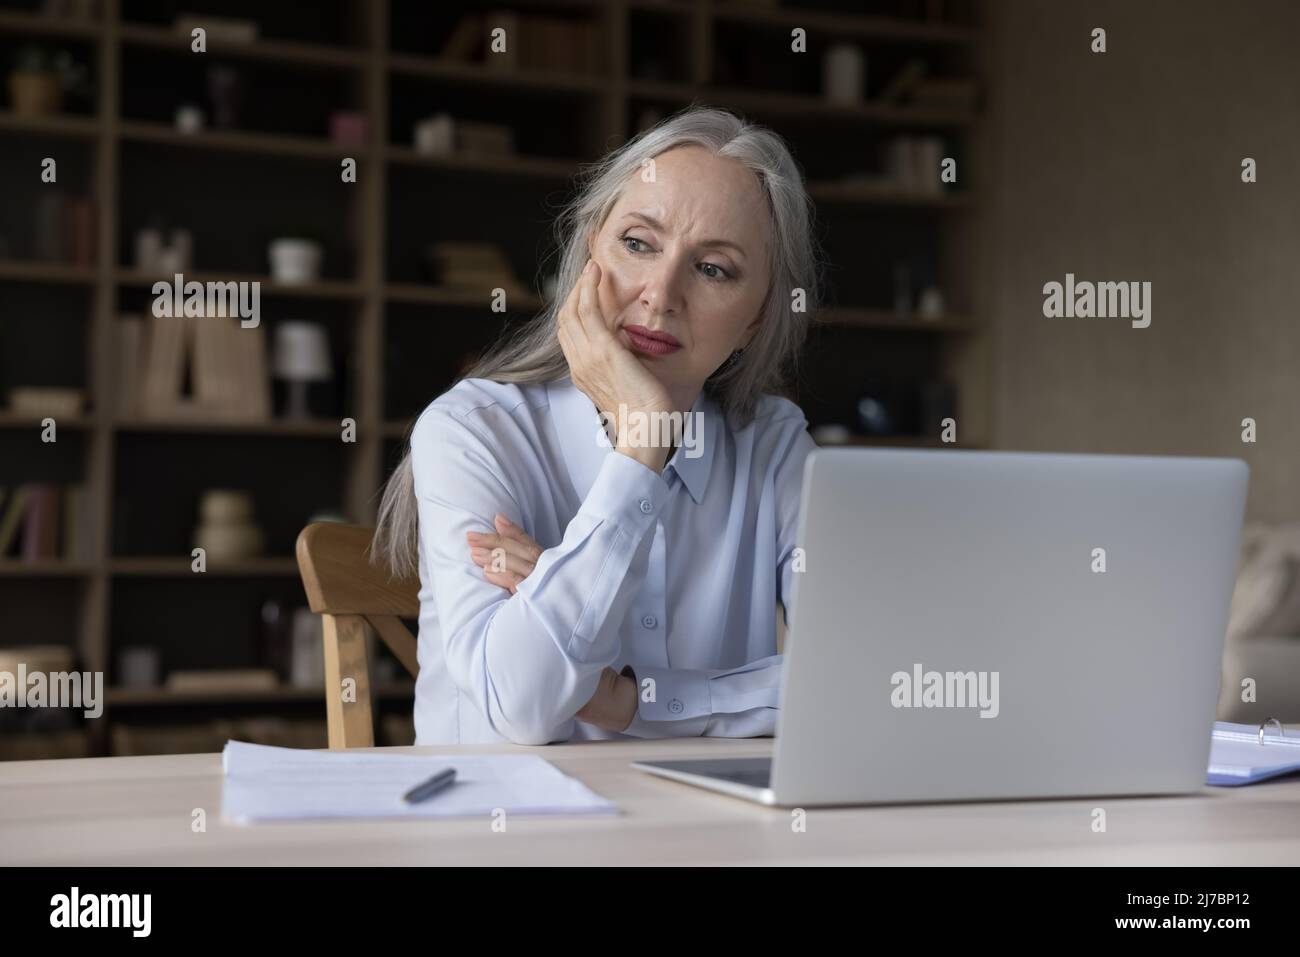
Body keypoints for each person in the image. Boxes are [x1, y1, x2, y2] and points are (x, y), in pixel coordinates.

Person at [373, 106, 823, 745]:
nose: (660, 293)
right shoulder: (471, 430)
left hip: (697, 841)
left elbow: (854, 684)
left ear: (756, 319)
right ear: (590, 255)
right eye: (638, 244)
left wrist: (629, 701)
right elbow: (521, 706)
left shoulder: (773, 448)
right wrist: (641, 448)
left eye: (713, 268)